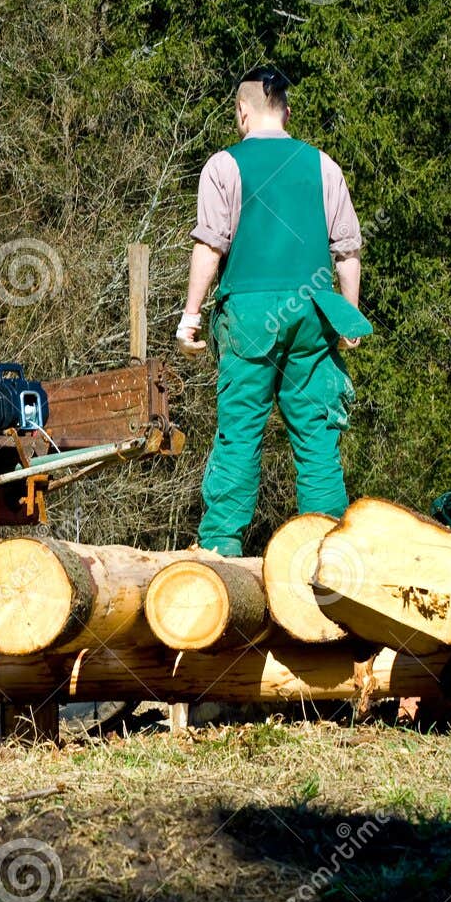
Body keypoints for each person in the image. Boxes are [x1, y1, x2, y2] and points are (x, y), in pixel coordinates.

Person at [175, 66, 372, 557]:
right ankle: (328, 557)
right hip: (312, 310)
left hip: (248, 317)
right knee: (317, 438)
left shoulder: (223, 165)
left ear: (242, 111)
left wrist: (190, 315)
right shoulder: (323, 165)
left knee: (240, 434)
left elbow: (210, 246)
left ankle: (221, 553)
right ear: (287, 111)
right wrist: (348, 316)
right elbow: (347, 251)